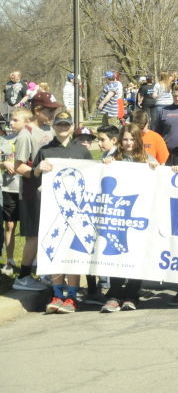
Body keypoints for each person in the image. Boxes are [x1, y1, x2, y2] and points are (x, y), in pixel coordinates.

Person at [33, 109, 93, 313]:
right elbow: (34, 175)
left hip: (76, 211)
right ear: (54, 126)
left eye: (66, 124)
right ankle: (57, 294)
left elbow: (92, 178)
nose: (63, 128)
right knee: (55, 252)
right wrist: (39, 168)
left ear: (71, 127)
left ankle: (72, 297)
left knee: (72, 253)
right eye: (60, 124)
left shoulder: (81, 151)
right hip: (52, 210)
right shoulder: (45, 150)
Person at [10, 91, 61, 291]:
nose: (52, 114)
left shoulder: (50, 130)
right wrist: (36, 171)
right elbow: (18, 166)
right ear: (37, 110)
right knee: (34, 235)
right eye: (49, 110)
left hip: (50, 191)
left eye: (54, 110)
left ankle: (45, 271)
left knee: (47, 232)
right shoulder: (26, 134)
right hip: (32, 192)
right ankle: (23, 277)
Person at [0, 107, 30, 276]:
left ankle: (30, 260)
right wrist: (4, 164)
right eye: (10, 120)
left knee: (28, 227)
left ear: (27, 122)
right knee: (10, 224)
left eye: (15, 120)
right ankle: (9, 260)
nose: (10, 123)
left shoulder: (30, 139)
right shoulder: (4, 140)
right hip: (8, 187)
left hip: (27, 188)